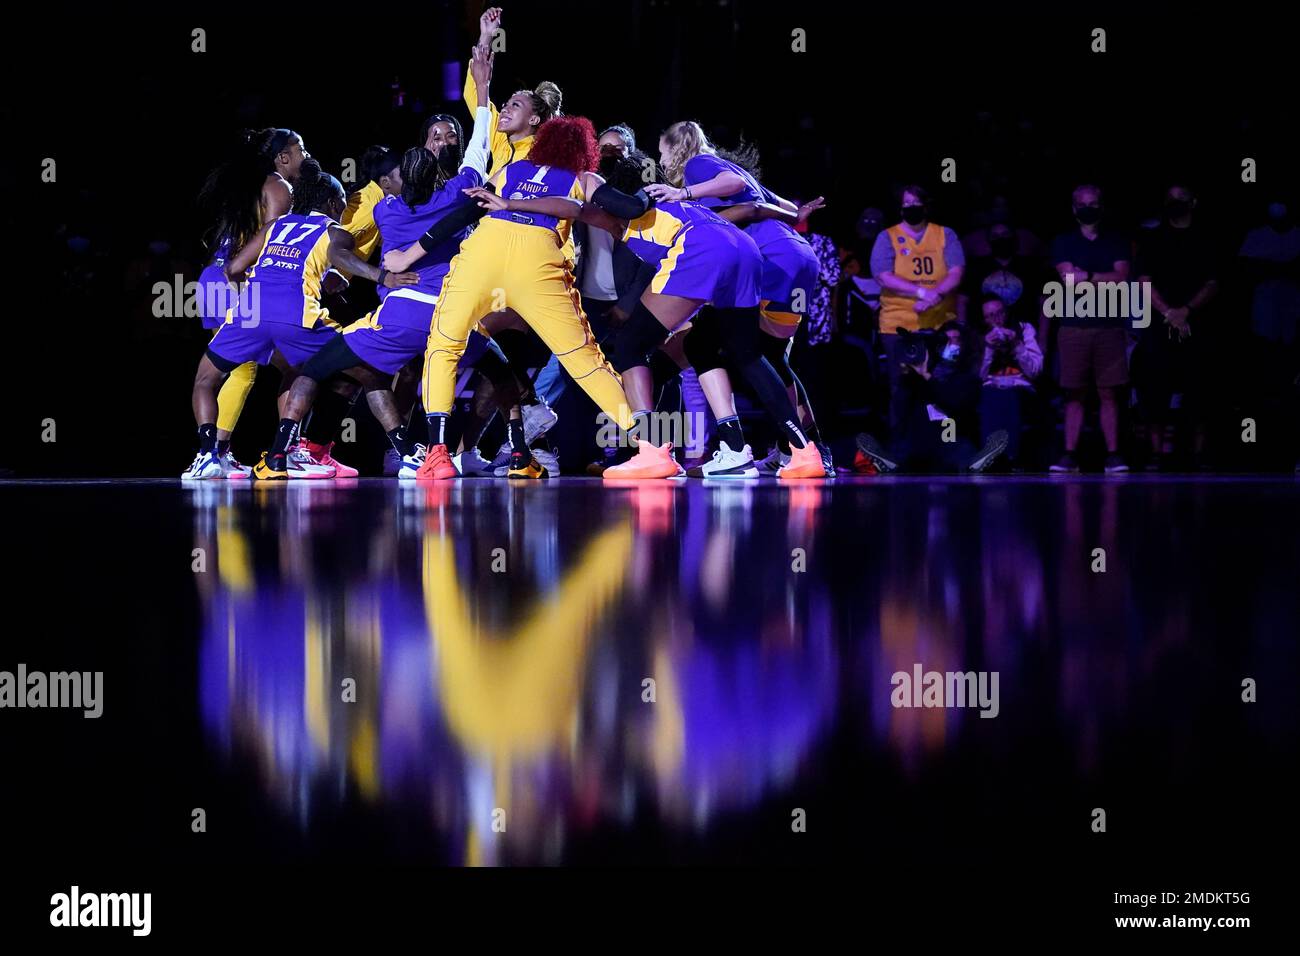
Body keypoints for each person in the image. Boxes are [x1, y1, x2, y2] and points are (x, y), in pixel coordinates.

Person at [386, 117, 674, 480]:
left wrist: (408, 256)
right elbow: (631, 208)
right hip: (537, 263)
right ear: (584, 149)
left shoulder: (512, 169)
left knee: (443, 346)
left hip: (483, 256)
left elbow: (465, 213)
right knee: (584, 360)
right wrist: (654, 191)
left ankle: (438, 454)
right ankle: (651, 447)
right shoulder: (582, 177)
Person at [649, 121, 830, 474]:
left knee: (704, 344)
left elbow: (737, 186)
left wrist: (683, 194)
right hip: (797, 259)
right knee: (774, 360)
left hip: (770, 259)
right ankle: (806, 451)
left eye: (661, 151)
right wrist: (797, 214)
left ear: (675, 148)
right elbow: (766, 199)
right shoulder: (727, 169)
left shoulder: (697, 166)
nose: (660, 158)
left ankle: (740, 451)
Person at [184, 128, 307, 479]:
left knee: (247, 367)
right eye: (301, 149)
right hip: (235, 281)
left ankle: (218, 453)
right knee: (254, 368)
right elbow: (271, 240)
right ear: (283, 156)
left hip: (213, 278)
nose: (306, 156)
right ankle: (216, 453)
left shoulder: (252, 183)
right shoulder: (280, 187)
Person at [1132, 184, 1219, 469]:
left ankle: (1198, 455)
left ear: (1194, 202)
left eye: (1180, 199)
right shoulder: (1152, 239)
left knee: (1200, 389)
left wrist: (1187, 311)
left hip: (1198, 324)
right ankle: (1156, 455)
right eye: (1169, 199)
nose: (1174, 203)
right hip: (1160, 324)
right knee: (1155, 388)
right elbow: (1144, 281)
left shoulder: (1207, 238)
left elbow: (1212, 282)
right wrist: (1169, 312)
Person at [1047, 184, 1131, 474]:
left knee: (1109, 393)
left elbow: (1121, 277)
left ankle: (1114, 455)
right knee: (1074, 393)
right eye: (1082, 203)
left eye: (1094, 203)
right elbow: (1069, 278)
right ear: (1073, 209)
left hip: (1109, 326)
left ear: (1101, 206)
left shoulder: (1116, 241)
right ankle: (1069, 454)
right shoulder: (1063, 242)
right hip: (1073, 326)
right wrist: (1099, 278)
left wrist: (1090, 275)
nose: (1088, 207)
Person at [870, 185, 965, 436]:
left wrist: (937, 296)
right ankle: (900, 443)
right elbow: (883, 276)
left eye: (916, 202)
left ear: (926, 205)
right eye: (907, 203)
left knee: (940, 383)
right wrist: (922, 293)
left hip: (940, 323)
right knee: (901, 386)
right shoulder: (886, 237)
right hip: (899, 325)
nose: (911, 207)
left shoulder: (946, 234)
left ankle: (941, 442)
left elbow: (956, 272)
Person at [855, 322, 1008, 473]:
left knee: (959, 451)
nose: (951, 345)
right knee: (903, 447)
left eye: (956, 340)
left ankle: (977, 462)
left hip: (950, 439)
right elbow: (900, 410)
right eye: (946, 340)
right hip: (919, 445)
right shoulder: (916, 379)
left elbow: (955, 402)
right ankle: (889, 461)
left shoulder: (967, 378)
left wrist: (928, 377)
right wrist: (910, 373)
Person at [977, 295, 1043, 469]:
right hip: (991, 386)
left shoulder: (1024, 328)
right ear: (984, 319)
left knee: (1011, 397)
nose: (997, 320)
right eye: (990, 316)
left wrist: (1016, 345)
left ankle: (1012, 457)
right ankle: (991, 457)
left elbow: (1035, 370)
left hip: (1019, 386)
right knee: (991, 397)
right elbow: (979, 377)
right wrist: (989, 349)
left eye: (1000, 313)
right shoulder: (977, 336)